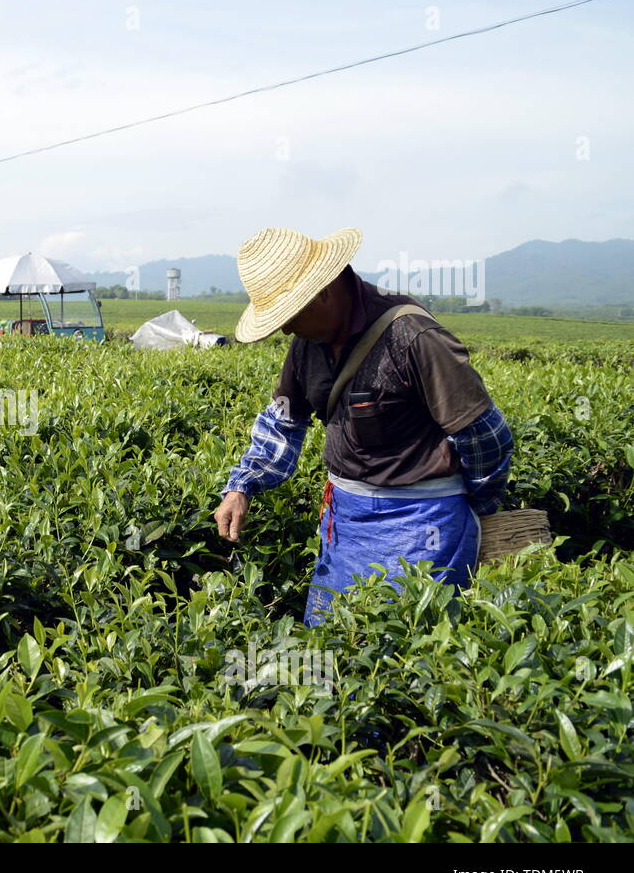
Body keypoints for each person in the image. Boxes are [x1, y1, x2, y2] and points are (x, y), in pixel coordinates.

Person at [213, 227, 513, 625]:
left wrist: (473, 506)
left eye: (289, 316)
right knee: (332, 640)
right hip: (346, 519)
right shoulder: (307, 343)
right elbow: (282, 422)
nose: (285, 330)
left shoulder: (414, 337)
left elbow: (483, 436)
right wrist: (241, 486)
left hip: (424, 524)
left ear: (320, 294)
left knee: (404, 651)